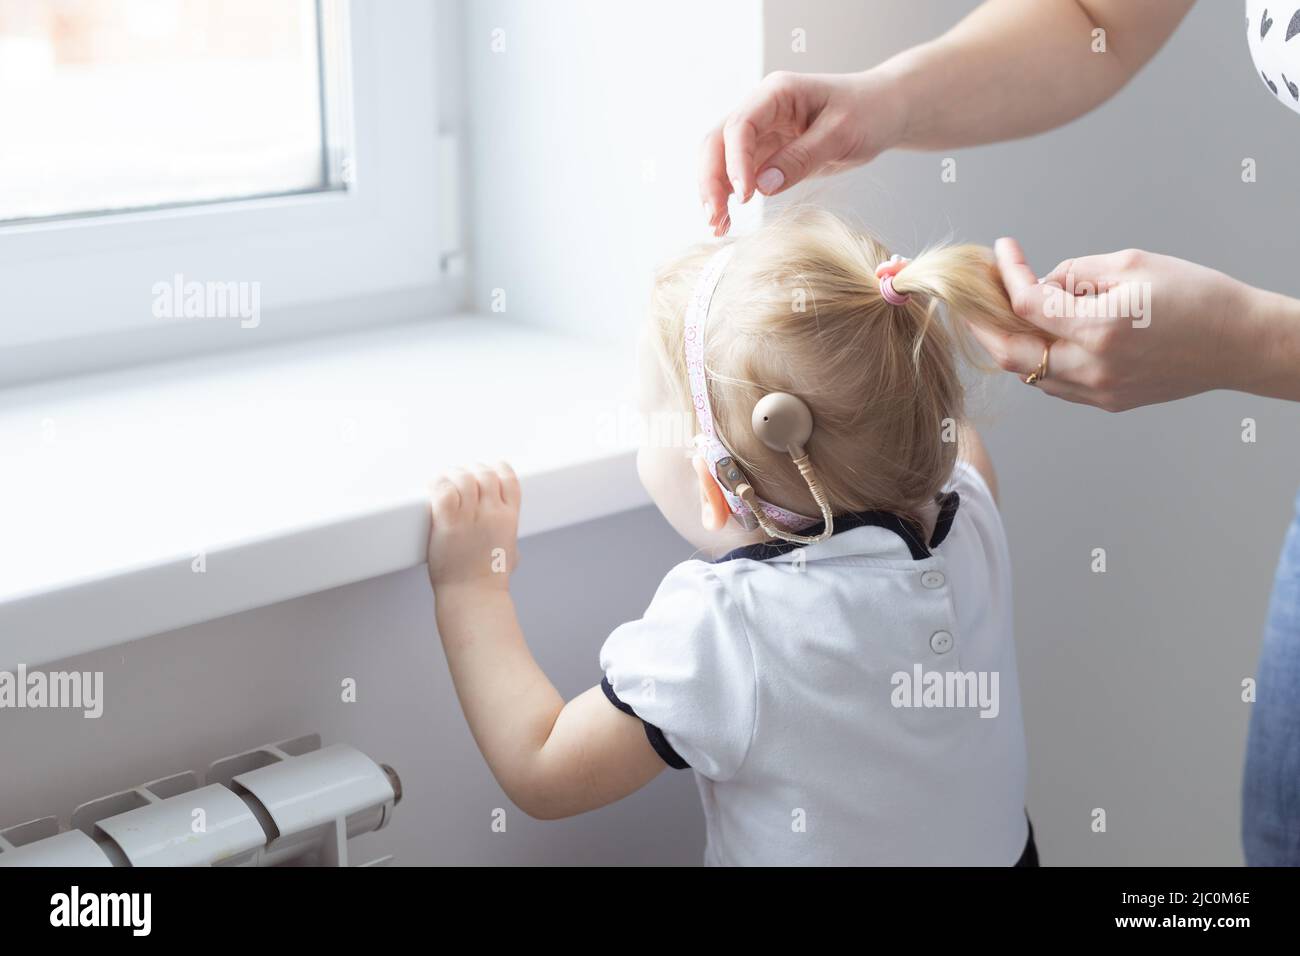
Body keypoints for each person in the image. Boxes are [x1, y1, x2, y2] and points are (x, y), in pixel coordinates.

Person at [698, 0, 1299, 864]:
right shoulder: (965, 516)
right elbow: (1098, 19)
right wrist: (886, 98)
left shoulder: (711, 632)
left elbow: (542, 773)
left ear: (725, 483)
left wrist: (1254, 344)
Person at [426, 209, 1049, 864]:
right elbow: (952, 444)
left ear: (711, 483)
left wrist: (470, 585)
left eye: (648, 417)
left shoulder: (730, 627)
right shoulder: (971, 515)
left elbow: (544, 767)